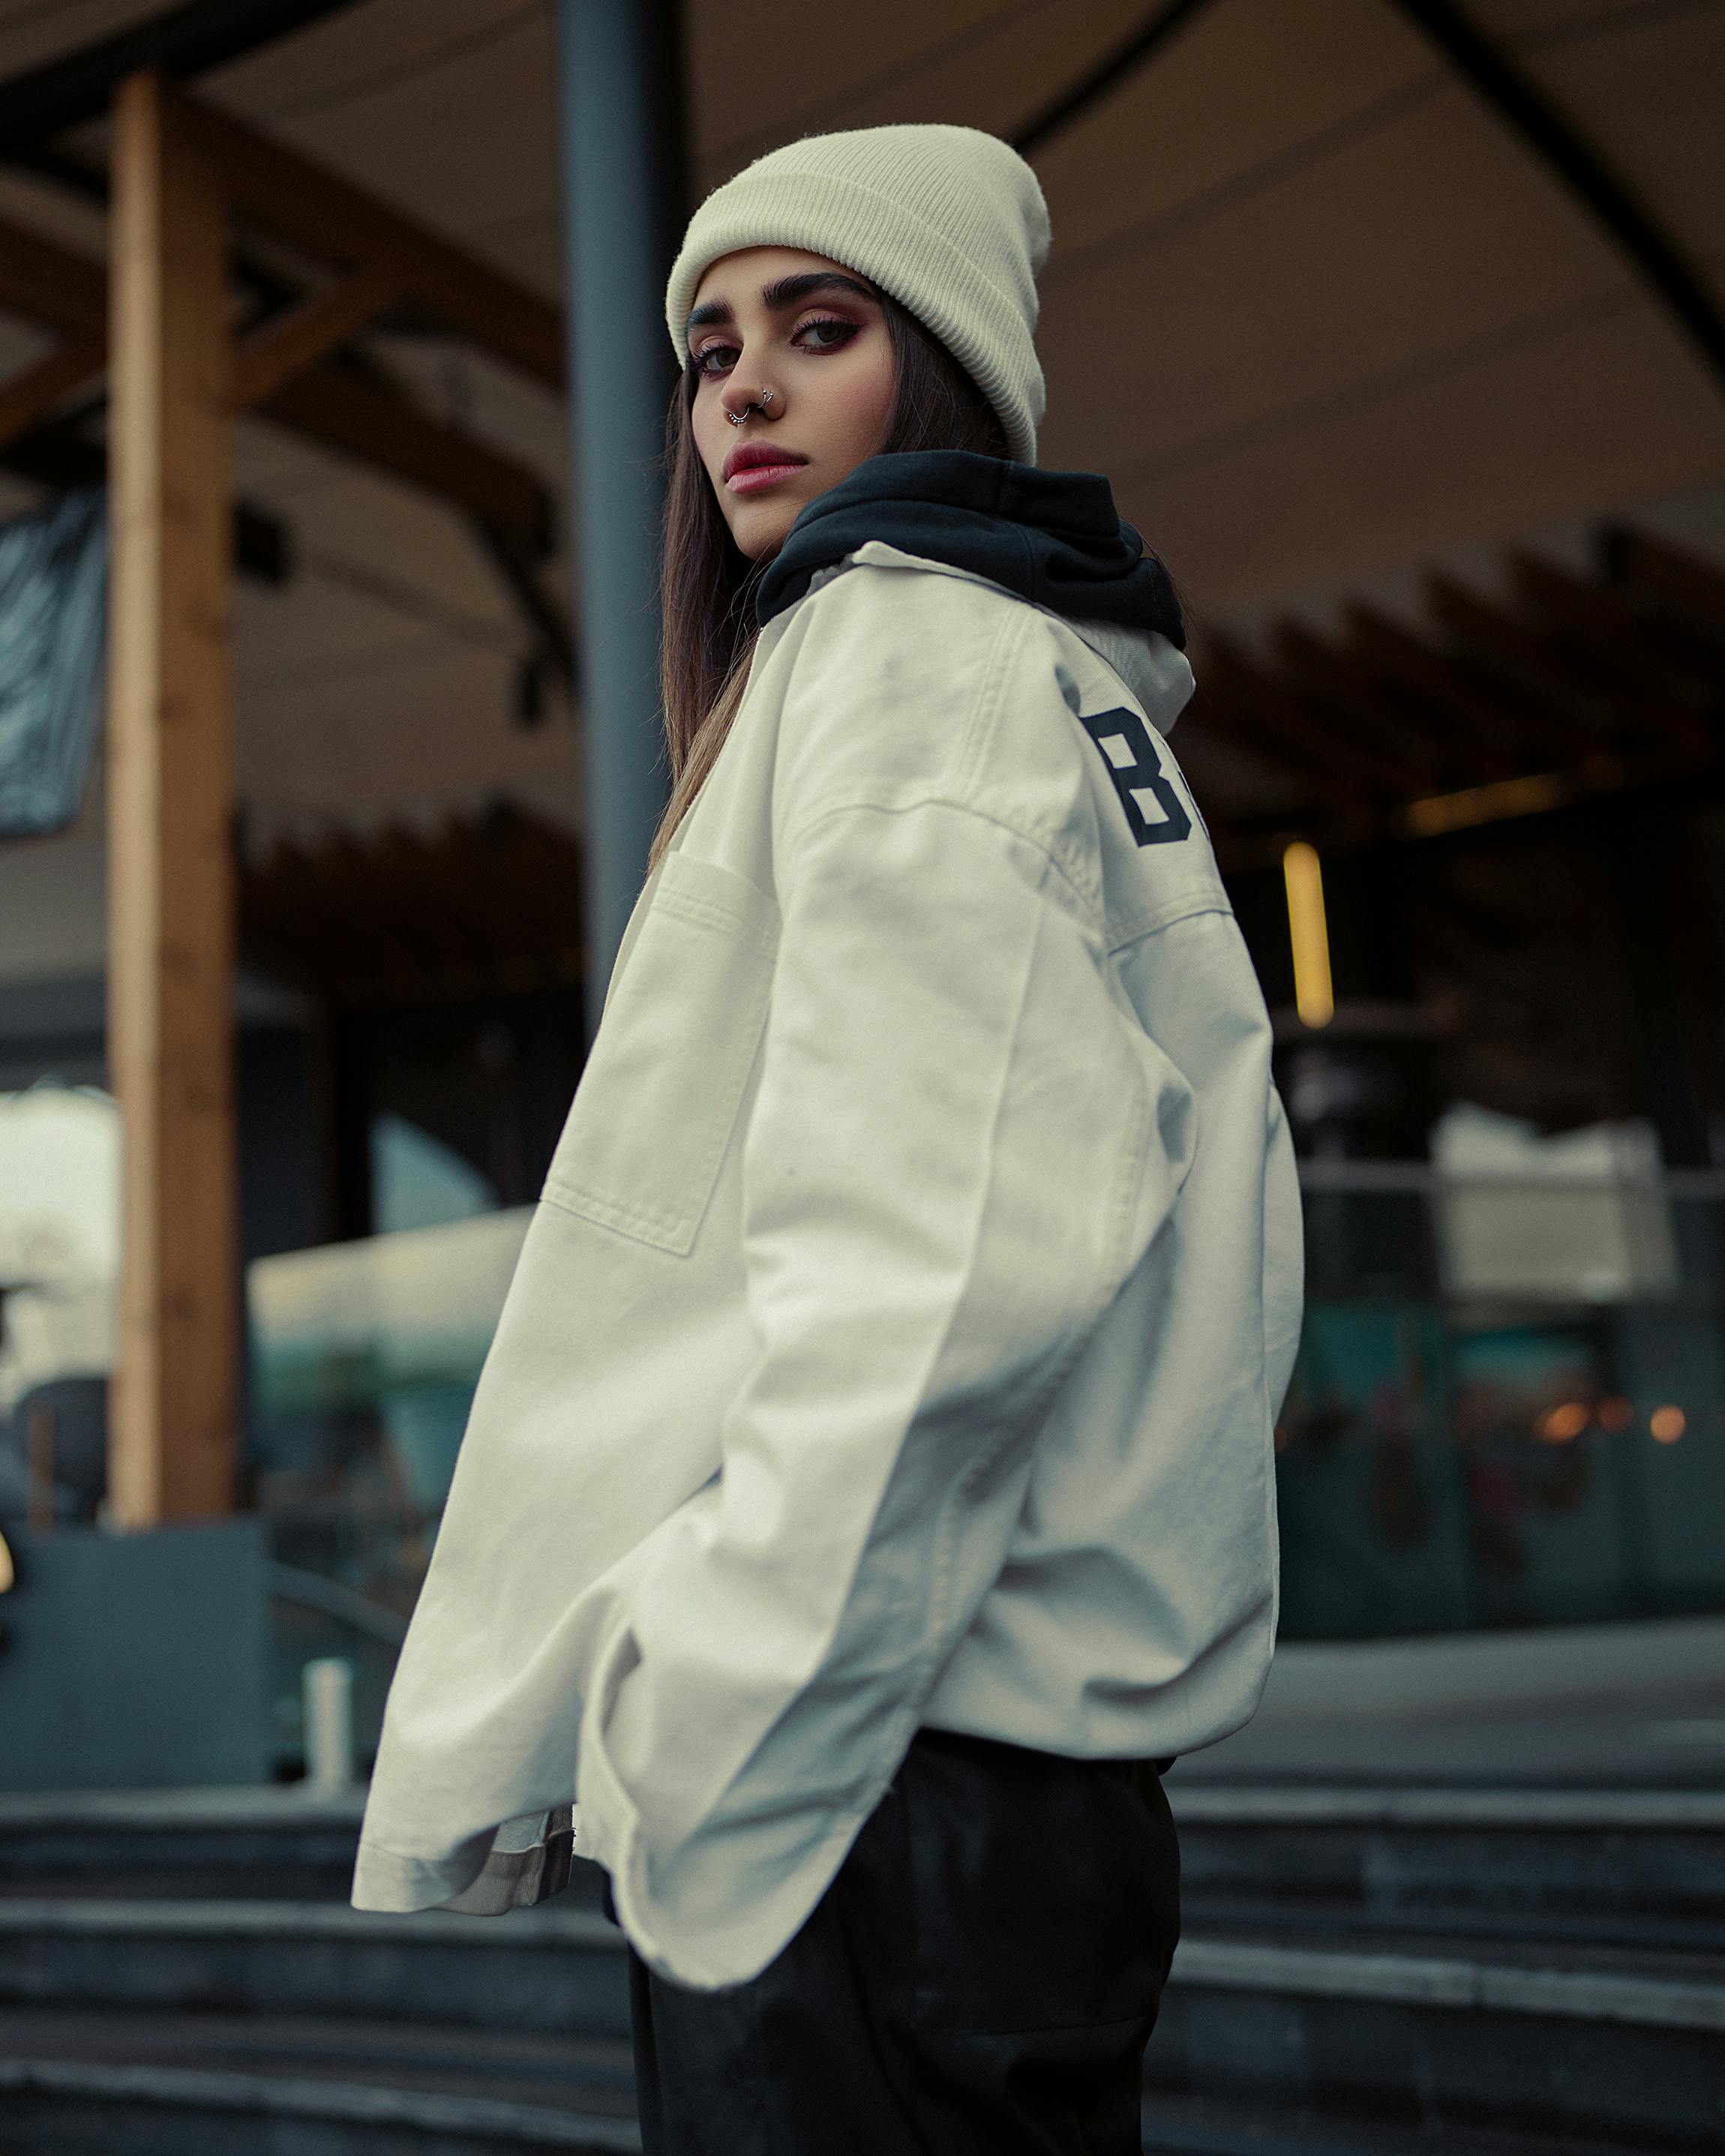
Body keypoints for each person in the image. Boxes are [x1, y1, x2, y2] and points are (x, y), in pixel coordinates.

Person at [353, 124, 1304, 2154]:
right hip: (974, 1781)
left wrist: (720, 1711)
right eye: (709, 348)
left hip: (874, 1778)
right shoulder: (1044, 678)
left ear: (938, 362)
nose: (743, 389)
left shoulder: (905, 655)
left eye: (821, 324)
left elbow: (947, 1246)